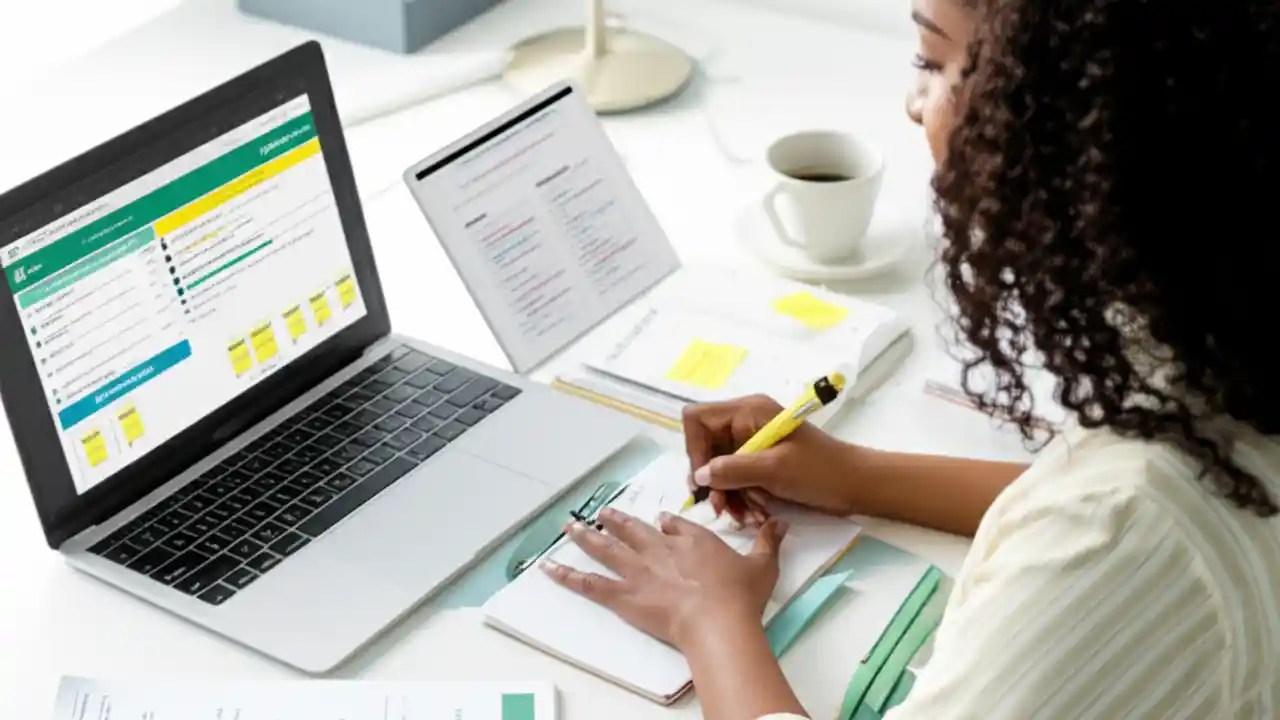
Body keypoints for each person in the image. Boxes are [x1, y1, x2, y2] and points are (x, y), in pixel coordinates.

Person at [538, 0, 1280, 717]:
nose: (910, 102)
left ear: (1071, 115)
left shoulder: (1118, 533)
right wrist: (858, 476)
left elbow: (1125, 520)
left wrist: (712, 619)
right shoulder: (1220, 357)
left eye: (931, 59)